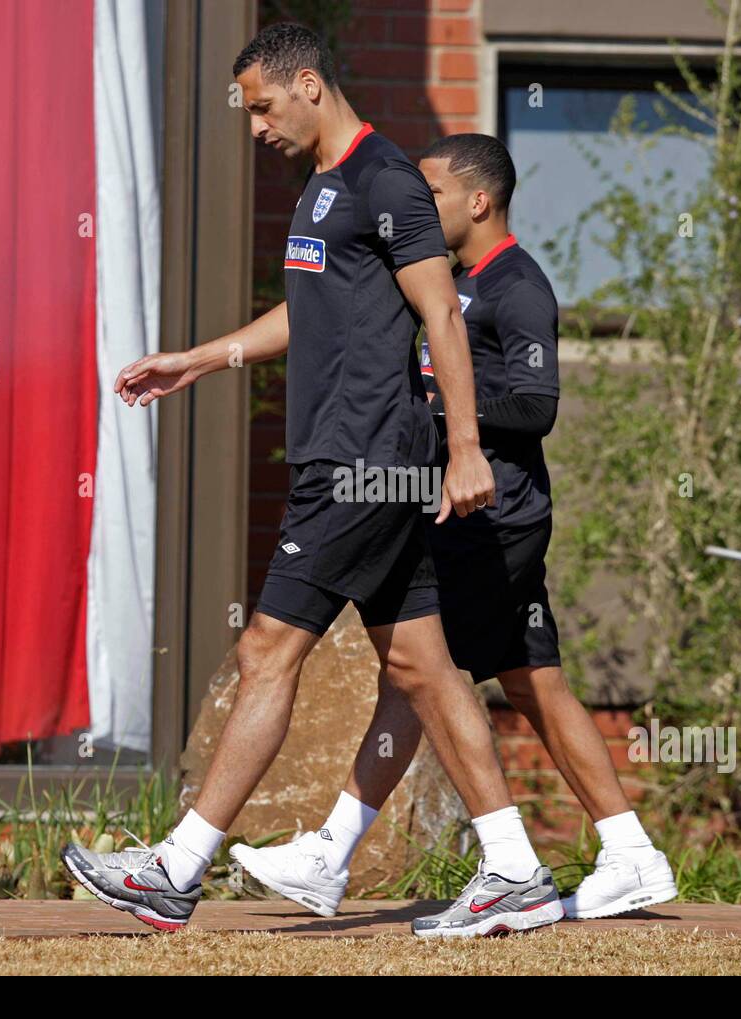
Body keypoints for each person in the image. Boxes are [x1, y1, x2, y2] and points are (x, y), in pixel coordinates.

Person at [62, 25, 563, 939]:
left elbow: (442, 312)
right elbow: (310, 310)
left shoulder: (387, 182)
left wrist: (464, 447)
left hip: (364, 461)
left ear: (308, 86)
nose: (254, 126)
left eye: (261, 106)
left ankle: (175, 869)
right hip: (354, 458)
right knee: (419, 663)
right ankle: (517, 868)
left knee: (265, 650)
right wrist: (201, 359)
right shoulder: (325, 190)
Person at [230, 134, 678, 921]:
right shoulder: (452, 280)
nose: (417, 208)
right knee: (531, 679)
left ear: (478, 201)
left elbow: (538, 405)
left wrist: (433, 414)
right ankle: (631, 853)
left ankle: (336, 852)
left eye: (431, 194)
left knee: (415, 674)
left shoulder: (516, 285)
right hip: (476, 511)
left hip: (492, 514)